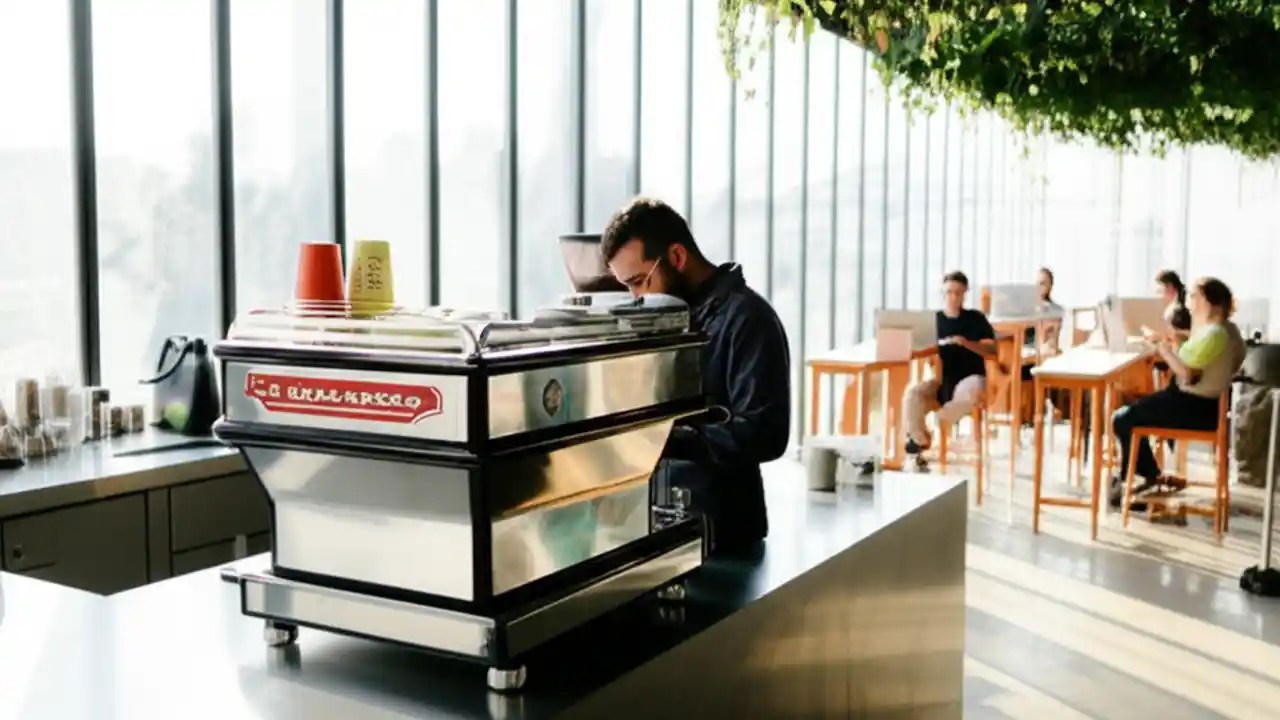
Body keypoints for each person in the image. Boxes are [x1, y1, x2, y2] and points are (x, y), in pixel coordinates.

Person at [601, 197, 791, 554]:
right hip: (665, 531)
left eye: (641, 281)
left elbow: (766, 433)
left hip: (725, 534)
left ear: (676, 258)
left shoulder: (748, 319)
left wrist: (663, 438)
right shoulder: (667, 321)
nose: (637, 297)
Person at [1109, 277, 1246, 508]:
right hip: (1205, 405)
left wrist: (1162, 349)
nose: (1190, 301)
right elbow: (1215, 360)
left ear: (1208, 302)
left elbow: (1187, 374)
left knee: (1122, 418)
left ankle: (1146, 477)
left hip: (1194, 407)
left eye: (1194, 296)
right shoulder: (1228, 331)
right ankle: (1146, 475)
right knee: (1131, 412)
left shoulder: (1215, 335)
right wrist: (1177, 341)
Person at [904, 271, 997, 455]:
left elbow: (992, 351)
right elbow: (922, 348)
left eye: (958, 293)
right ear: (943, 293)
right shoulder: (934, 320)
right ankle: (921, 440)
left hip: (972, 378)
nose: (953, 297)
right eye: (949, 292)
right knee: (912, 395)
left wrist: (966, 343)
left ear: (964, 294)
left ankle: (940, 421)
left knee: (969, 392)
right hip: (942, 380)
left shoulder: (976, 319)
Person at [1155, 269, 1192, 342]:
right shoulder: (1174, 306)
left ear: (1170, 286)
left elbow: (1175, 336)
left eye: (1160, 287)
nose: (1158, 291)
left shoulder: (1177, 309)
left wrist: (1157, 337)